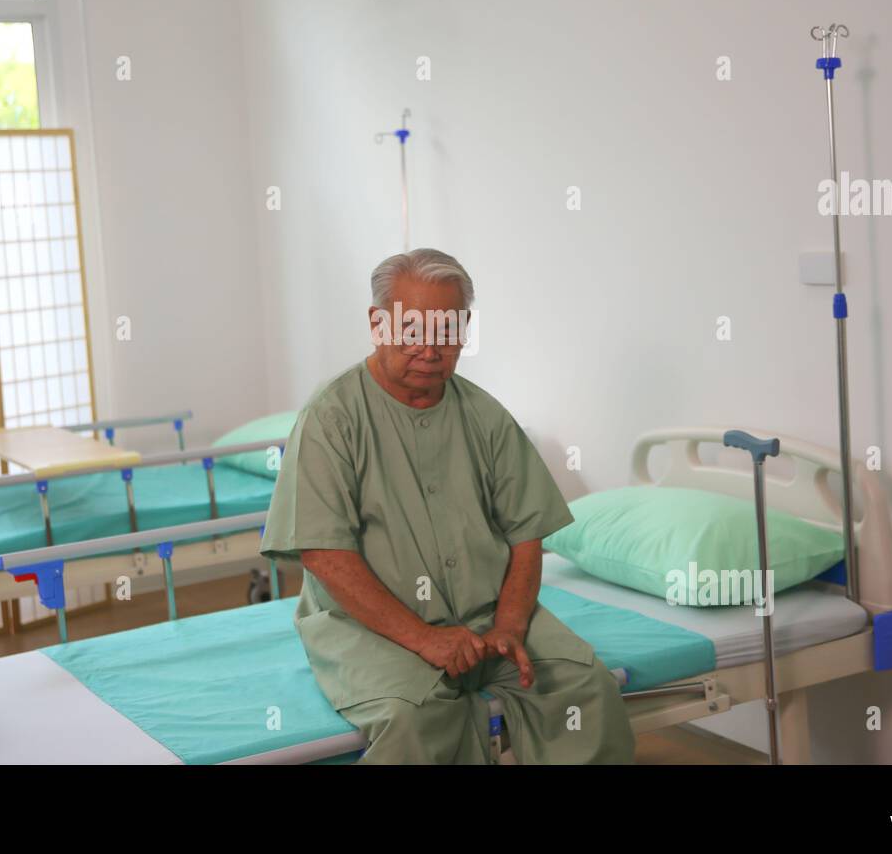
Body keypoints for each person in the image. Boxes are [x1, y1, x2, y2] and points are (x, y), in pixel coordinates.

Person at [261, 248, 634, 764]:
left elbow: (527, 533)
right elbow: (324, 554)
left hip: (485, 613)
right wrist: (424, 639)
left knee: (584, 686)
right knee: (417, 715)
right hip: (370, 626)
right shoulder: (332, 417)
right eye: (413, 328)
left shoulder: (485, 415)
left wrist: (508, 624)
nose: (430, 349)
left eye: (447, 329)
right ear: (378, 323)